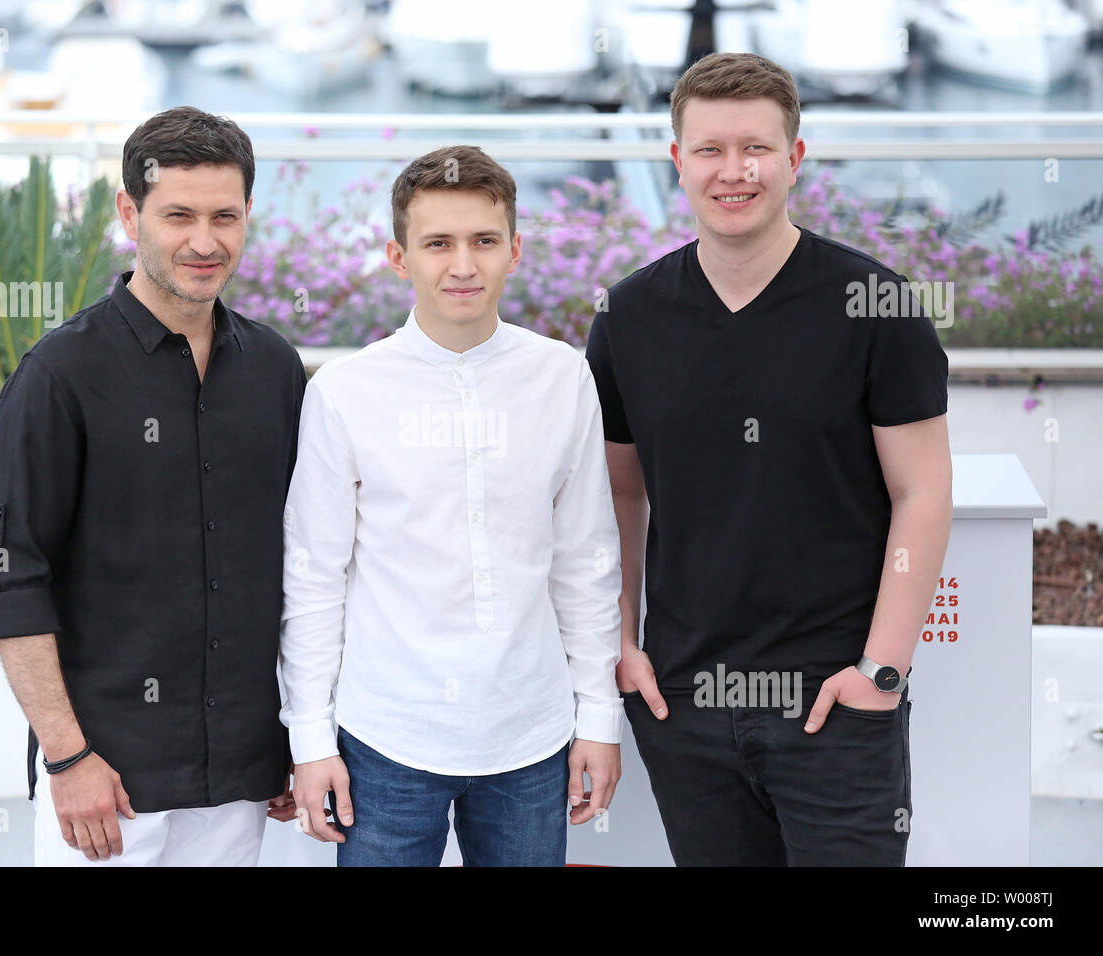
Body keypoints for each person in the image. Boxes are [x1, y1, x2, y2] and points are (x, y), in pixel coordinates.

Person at [586, 52, 953, 866]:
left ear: (795, 157)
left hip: (835, 702)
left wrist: (881, 673)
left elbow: (923, 493)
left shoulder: (877, 306)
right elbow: (617, 496)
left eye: (755, 148)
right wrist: (621, 642)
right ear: (677, 161)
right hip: (685, 700)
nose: (734, 171)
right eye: (710, 150)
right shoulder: (629, 316)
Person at [0, 106, 306, 866]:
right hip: (105, 782)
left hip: (240, 776)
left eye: (225, 216)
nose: (204, 242)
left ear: (248, 215)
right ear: (130, 214)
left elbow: (301, 565)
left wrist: (296, 734)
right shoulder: (59, 374)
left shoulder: (276, 369)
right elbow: (12, 579)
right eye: (178, 215)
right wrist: (66, 757)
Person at [280, 145, 623, 866]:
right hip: (385, 736)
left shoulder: (563, 379)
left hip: (531, 734)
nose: (463, 265)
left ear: (515, 251)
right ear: (398, 257)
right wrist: (309, 740)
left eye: (484, 241)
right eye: (438, 243)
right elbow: (313, 577)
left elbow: (586, 562)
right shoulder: (344, 393)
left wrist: (600, 716)